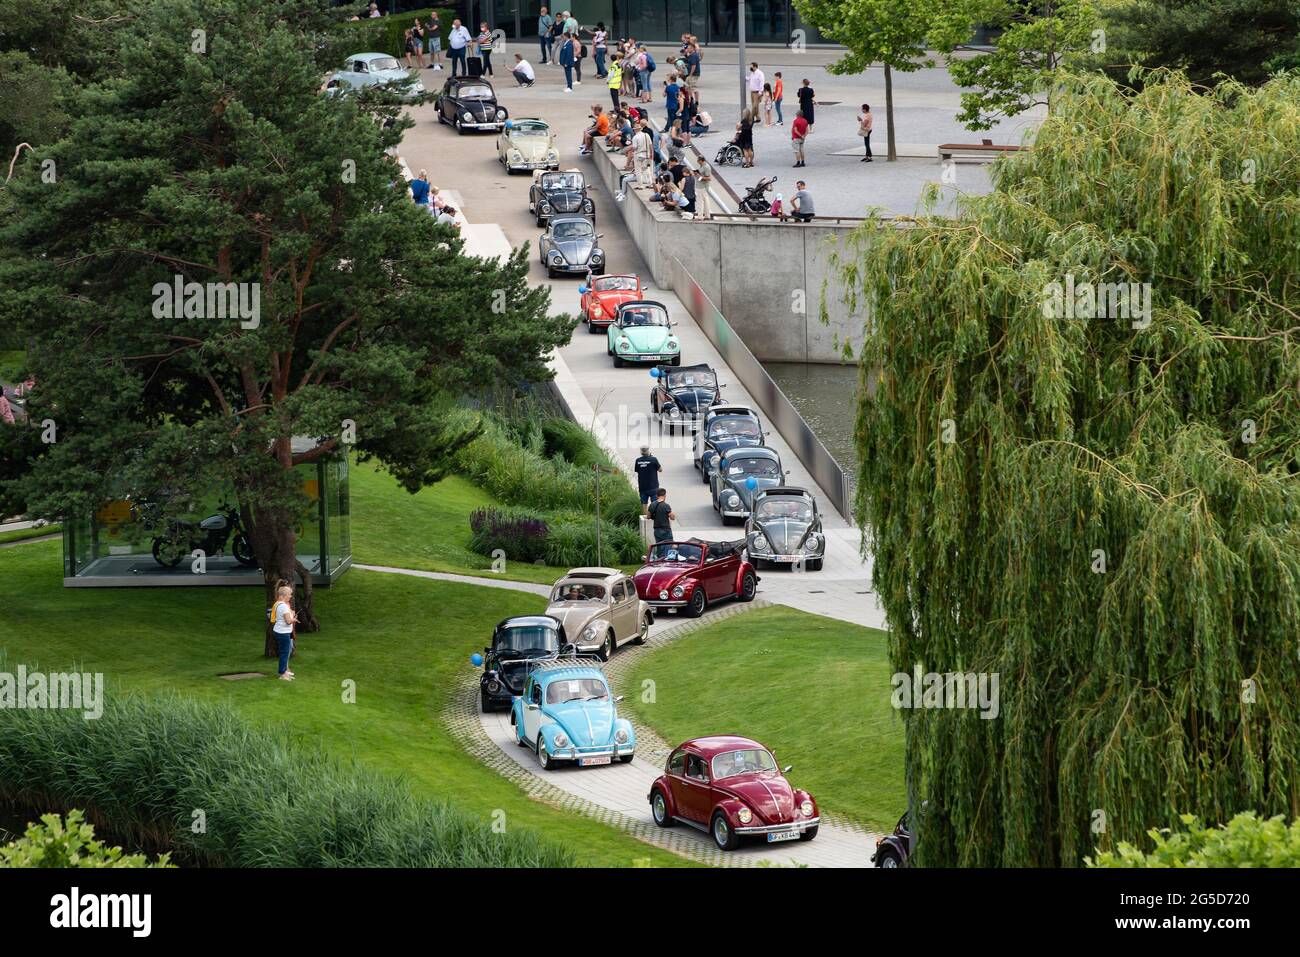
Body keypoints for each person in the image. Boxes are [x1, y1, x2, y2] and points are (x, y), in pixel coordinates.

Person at [270, 583, 298, 681]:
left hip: (279, 631)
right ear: (283, 595)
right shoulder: (284, 607)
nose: (290, 596)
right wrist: (293, 619)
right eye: (289, 594)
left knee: (285, 651)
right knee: (284, 653)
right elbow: (288, 621)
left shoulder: (278, 603)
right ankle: (282, 674)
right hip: (283, 633)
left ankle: (285, 671)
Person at [634, 446, 662, 513]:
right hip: (653, 486)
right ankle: (654, 519)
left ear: (641, 452)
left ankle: (645, 520)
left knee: (644, 505)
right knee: (655, 504)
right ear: (648, 451)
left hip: (643, 487)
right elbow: (660, 470)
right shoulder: (653, 459)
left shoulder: (638, 460)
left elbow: (637, 470)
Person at [632, 121, 654, 189]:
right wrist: (651, 153)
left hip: (638, 155)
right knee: (648, 169)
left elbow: (635, 148)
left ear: (635, 130)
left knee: (638, 170)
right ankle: (650, 184)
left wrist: (631, 148)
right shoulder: (646, 135)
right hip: (647, 154)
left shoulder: (635, 137)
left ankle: (640, 185)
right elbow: (651, 145)